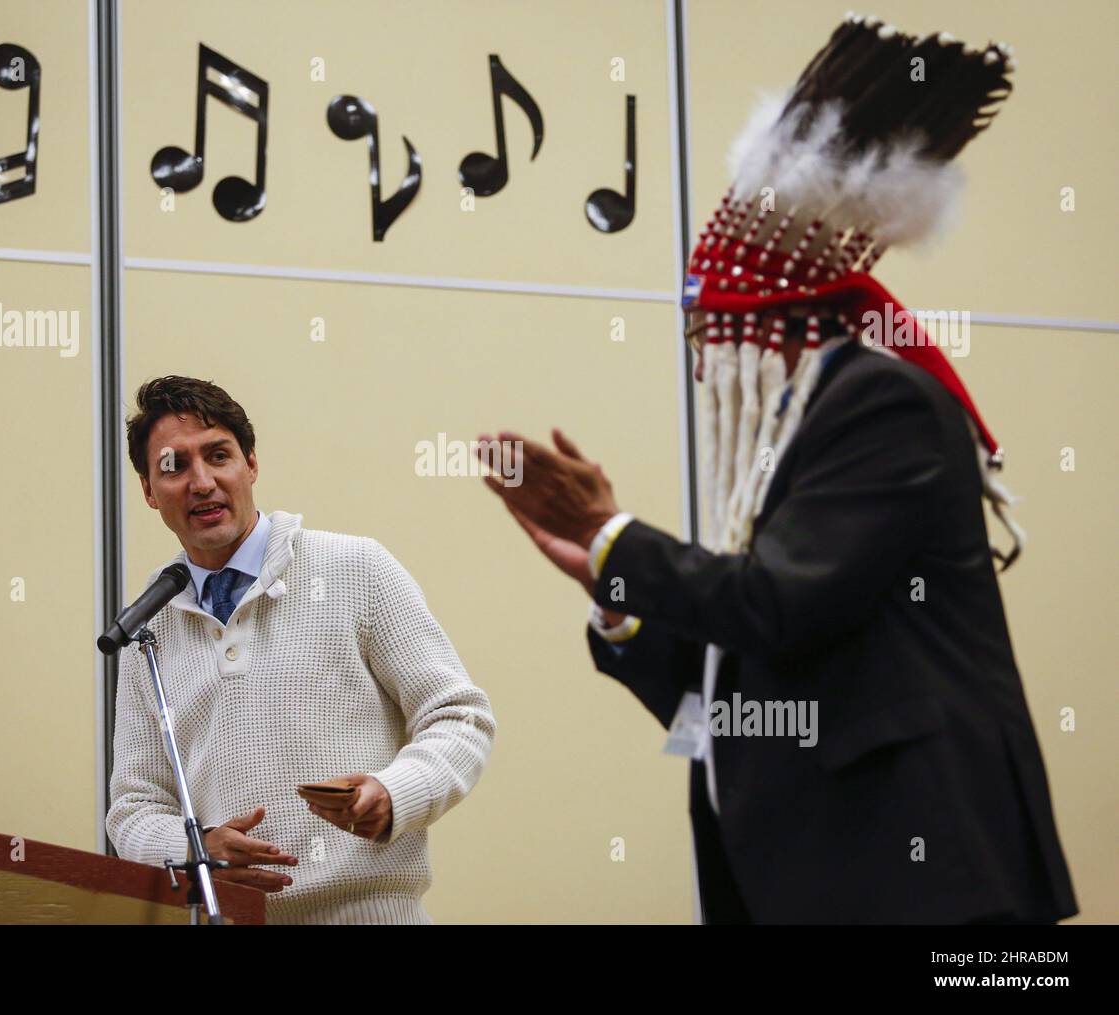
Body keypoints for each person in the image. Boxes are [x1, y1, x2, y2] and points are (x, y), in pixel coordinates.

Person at [477, 15, 1077, 924]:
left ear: (779, 329)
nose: (703, 365)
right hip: (824, 880)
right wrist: (614, 593)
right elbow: (732, 677)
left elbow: (776, 605)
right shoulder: (799, 440)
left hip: (928, 884)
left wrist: (614, 535)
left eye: (712, 338)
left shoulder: (883, 405)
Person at [107, 375, 494, 924]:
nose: (202, 482)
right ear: (149, 490)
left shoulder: (355, 569)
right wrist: (198, 850)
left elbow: (461, 716)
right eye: (175, 466)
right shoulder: (147, 626)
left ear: (251, 465)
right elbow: (134, 808)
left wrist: (393, 792)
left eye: (219, 455)